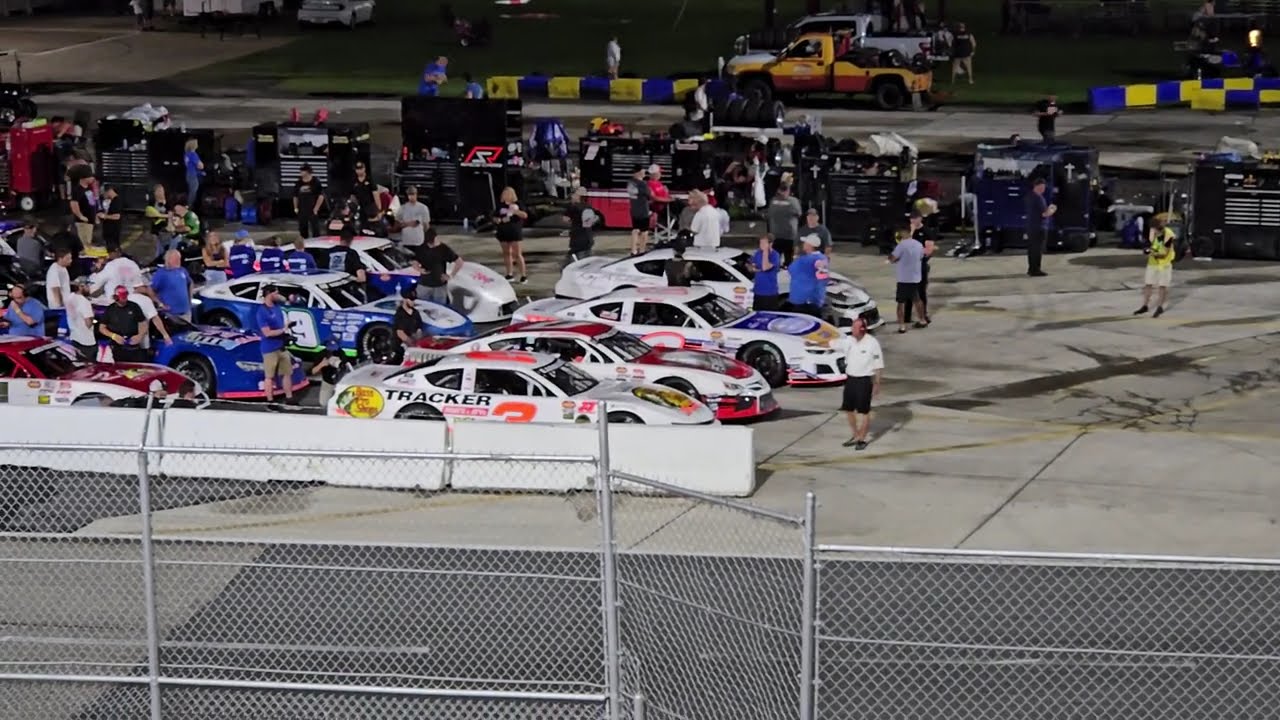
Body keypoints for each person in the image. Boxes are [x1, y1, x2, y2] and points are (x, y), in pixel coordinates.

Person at [840, 317, 884, 450]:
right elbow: (833, 344)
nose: (852, 329)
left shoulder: (872, 343)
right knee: (848, 409)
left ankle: (862, 439)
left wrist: (877, 382)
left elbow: (878, 363)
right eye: (852, 327)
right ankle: (855, 434)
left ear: (863, 329)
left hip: (864, 380)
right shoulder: (849, 340)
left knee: (864, 411)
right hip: (851, 379)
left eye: (855, 327)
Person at [255, 284, 295, 404]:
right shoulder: (261, 312)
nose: (278, 295)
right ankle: (270, 401)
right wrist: (283, 330)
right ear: (270, 294)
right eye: (276, 293)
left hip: (281, 346)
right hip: (269, 349)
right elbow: (267, 333)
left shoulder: (277, 307)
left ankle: (289, 398)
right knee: (269, 376)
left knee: (287, 373)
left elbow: (285, 300)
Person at [888, 226, 928, 333]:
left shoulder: (901, 245)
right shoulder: (919, 244)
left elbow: (892, 258)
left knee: (901, 303)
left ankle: (902, 326)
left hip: (904, 279)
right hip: (915, 278)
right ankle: (922, 320)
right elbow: (921, 257)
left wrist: (896, 259)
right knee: (917, 300)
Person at [1135, 217, 1176, 318]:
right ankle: (1145, 305)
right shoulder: (1152, 231)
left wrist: (1151, 252)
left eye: (1154, 230)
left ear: (1159, 229)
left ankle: (1160, 307)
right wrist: (1147, 250)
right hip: (1153, 263)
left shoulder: (1168, 235)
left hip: (1164, 264)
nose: (1153, 232)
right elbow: (1150, 244)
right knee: (1148, 284)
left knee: (1162, 285)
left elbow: (1164, 253)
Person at [900, 212, 935, 325]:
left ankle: (923, 316)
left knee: (920, 292)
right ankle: (907, 316)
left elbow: (929, 251)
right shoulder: (909, 232)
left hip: (920, 266)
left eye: (915, 219)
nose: (912, 221)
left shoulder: (927, 232)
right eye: (911, 219)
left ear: (920, 218)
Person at [100, 287, 148, 362]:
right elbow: (102, 328)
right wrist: (114, 336)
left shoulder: (134, 307)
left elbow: (143, 323)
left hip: (133, 346)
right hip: (117, 346)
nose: (124, 299)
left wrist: (140, 335)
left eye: (125, 296)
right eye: (122, 297)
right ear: (116, 297)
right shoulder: (110, 309)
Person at [414, 231, 462, 304]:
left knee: (439, 310)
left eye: (431, 242)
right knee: (422, 307)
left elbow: (459, 262)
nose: (430, 245)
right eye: (428, 243)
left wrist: (451, 275)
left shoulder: (444, 249)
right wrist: (419, 269)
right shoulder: (422, 248)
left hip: (439, 286)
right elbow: (415, 262)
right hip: (424, 284)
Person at [787, 236, 829, 317]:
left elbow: (791, 270)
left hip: (803, 299)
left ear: (810, 246)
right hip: (816, 299)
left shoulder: (804, 260)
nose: (803, 244)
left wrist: (796, 258)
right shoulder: (823, 258)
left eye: (805, 243)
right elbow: (823, 279)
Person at [493, 186, 528, 283]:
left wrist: (515, 211)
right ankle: (509, 274)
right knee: (506, 253)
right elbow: (495, 216)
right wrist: (497, 220)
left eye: (507, 194)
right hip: (503, 231)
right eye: (504, 194)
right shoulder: (500, 206)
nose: (505, 196)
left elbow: (525, 215)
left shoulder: (518, 204)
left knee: (517, 254)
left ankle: (523, 275)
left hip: (514, 231)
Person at [151, 249, 194, 321]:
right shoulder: (161, 274)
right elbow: (150, 290)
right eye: (176, 259)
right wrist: (160, 304)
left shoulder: (182, 270)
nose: (178, 261)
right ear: (168, 260)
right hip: (171, 314)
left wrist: (190, 299)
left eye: (179, 259)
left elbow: (190, 283)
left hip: (186, 312)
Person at [1024, 177, 1055, 277]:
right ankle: (1036, 270)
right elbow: (1044, 214)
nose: (1043, 189)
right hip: (1039, 227)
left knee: (1032, 249)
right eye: (1042, 187)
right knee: (1037, 249)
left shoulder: (1029, 196)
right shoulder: (1039, 198)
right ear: (1037, 186)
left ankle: (1031, 269)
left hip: (1031, 226)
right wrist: (1052, 210)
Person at [767, 183, 803, 266]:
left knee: (775, 260)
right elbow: (799, 214)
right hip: (789, 235)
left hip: (776, 234)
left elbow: (769, 215)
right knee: (789, 260)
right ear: (788, 191)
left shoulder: (773, 201)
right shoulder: (793, 201)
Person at [128, 281, 171, 349]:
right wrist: (165, 335)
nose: (147, 289)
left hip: (124, 340)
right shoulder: (145, 300)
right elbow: (155, 319)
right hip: (141, 342)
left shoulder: (125, 299)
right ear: (137, 288)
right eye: (145, 287)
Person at [310, 339, 353, 407]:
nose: (333, 351)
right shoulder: (322, 354)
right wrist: (322, 364)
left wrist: (340, 366)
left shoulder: (341, 353)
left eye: (334, 348)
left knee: (342, 404)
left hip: (339, 381)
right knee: (323, 403)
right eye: (330, 348)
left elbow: (346, 367)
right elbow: (312, 371)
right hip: (327, 381)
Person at [562, 186, 597, 267]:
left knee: (569, 266)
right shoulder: (589, 207)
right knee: (587, 263)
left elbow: (565, 219)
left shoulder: (573, 207)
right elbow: (592, 221)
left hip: (577, 239)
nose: (572, 196)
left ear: (578, 196)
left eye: (573, 195)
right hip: (588, 239)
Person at [64, 279, 97, 360]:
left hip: (74, 339)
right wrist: (93, 316)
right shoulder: (84, 302)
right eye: (88, 286)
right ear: (80, 287)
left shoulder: (69, 298)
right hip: (86, 342)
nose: (90, 288)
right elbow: (89, 324)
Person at [749, 234, 783, 310]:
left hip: (769, 293)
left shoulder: (775, 255)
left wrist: (765, 252)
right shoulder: (758, 253)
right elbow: (751, 266)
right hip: (758, 292)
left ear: (770, 244)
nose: (761, 245)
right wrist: (754, 268)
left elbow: (765, 267)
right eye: (760, 243)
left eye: (764, 243)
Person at [392, 288, 425, 363]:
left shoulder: (415, 313)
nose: (413, 302)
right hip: (402, 348)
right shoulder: (400, 314)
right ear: (405, 300)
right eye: (411, 300)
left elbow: (419, 329)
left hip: (414, 344)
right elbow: (400, 333)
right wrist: (412, 344)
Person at [292, 164, 324, 239]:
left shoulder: (315, 182)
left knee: (315, 230)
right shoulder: (298, 182)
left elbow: (321, 196)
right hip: (302, 209)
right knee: (303, 230)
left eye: (302, 171)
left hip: (312, 209)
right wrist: (295, 207)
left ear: (307, 172)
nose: (300, 172)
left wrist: (316, 208)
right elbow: (295, 196)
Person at [396, 186, 431, 251]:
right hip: (406, 240)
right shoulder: (402, 208)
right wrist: (408, 224)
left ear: (416, 194)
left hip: (419, 240)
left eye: (413, 194)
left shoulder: (423, 208)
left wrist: (426, 237)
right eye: (409, 194)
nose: (411, 196)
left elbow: (426, 225)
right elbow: (397, 224)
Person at [627, 166, 652, 255]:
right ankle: (642, 250)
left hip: (634, 209)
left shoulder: (630, 183)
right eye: (643, 171)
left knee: (635, 230)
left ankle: (633, 250)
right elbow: (649, 194)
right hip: (643, 210)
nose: (644, 173)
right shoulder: (642, 184)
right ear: (638, 173)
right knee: (644, 231)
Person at [352, 161, 383, 234]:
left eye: (360, 169)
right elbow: (353, 195)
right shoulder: (354, 181)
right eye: (357, 169)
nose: (359, 171)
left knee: (372, 228)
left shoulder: (369, 180)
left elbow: (376, 194)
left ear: (364, 169)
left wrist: (378, 209)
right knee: (362, 228)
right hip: (361, 208)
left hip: (371, 207)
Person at [69, 172, 97, 249]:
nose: (93, 179)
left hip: (90, 221)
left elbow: (92, 203)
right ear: (84, 178)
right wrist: (80, 216)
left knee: (88, 243)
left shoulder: (88, 189)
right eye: (91, 177)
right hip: (82, 222)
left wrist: (95, 216)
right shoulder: (77, 190)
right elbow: (73, 204)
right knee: (83, 244)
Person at [97, 185, 125, 250]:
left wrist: (104, 216)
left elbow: (117, 216)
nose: (104, 195)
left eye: (104, 193)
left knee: (113, 248)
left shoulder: (117, 201)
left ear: (110, 191)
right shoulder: (111, 201)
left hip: (113, 230)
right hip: (109, 230)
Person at [183, 138, 205, 208]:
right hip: (192, 175)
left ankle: (189, 205)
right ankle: (189, 206)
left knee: (192, 190)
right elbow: (201, 166)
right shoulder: (193, 154)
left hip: (189, 174)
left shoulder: (186, 154)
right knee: (193, 191)